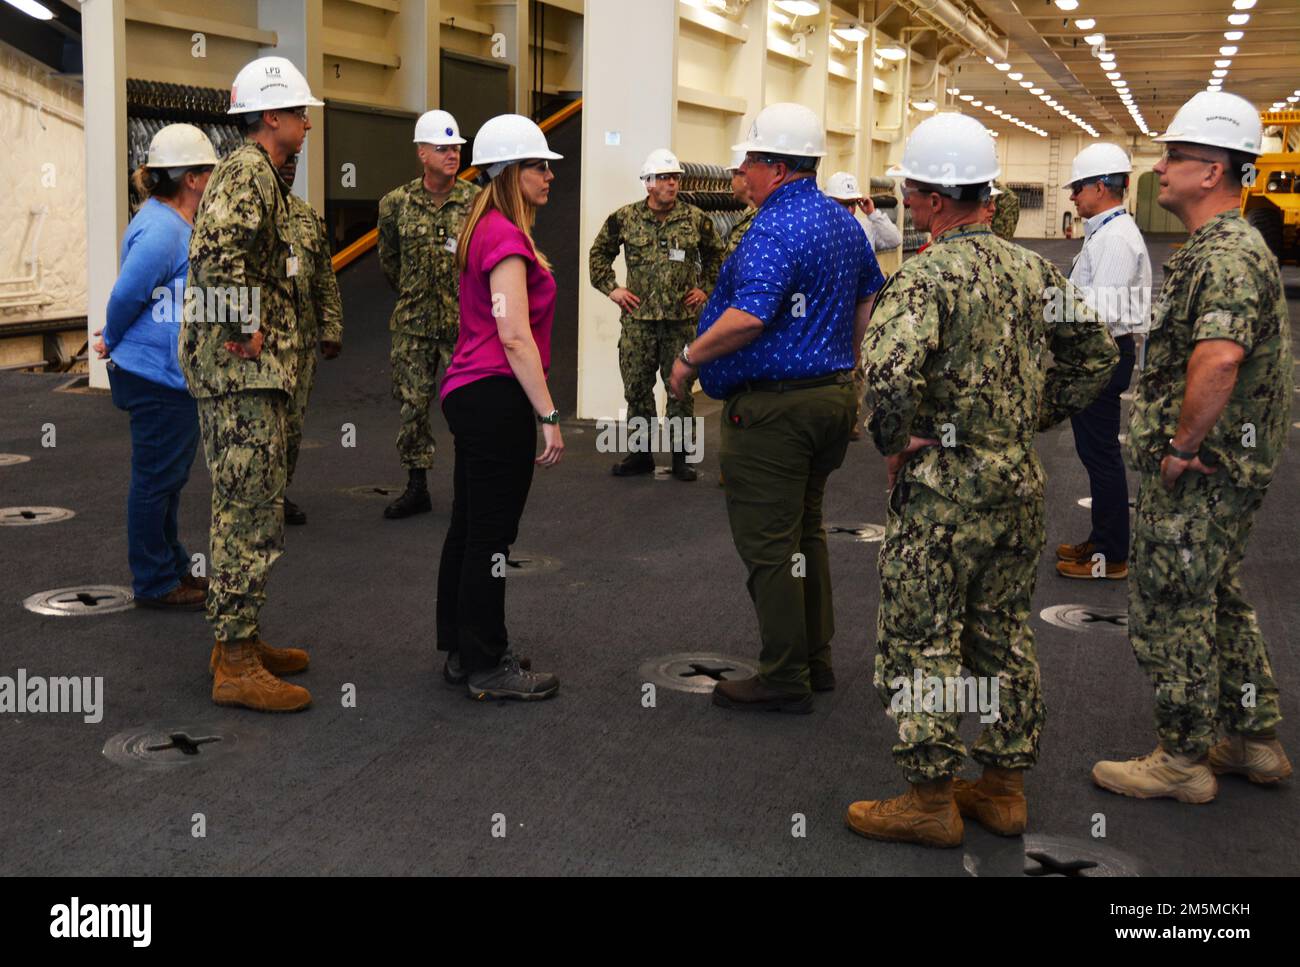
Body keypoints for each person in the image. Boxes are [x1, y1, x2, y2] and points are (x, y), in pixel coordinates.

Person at [846, 112, 1117, 848]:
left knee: (924, 635)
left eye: (911, 190)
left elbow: (891, 370)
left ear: (933, 199)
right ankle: (1002, 787)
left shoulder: (924, 277)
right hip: (1017, 488)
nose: (907, 200)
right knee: (1000, 630)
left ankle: (930, 797)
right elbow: (1097, 356)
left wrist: (896, 441)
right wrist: (1031, 416)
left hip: (940, 495)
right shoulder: (1035, 269)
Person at [1093, 91, 1293, 801]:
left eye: (1176, 155)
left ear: (1211, 171)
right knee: (1219, 594)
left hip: (1204, 469)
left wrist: (1180, 446)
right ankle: (1250, 738)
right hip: (1224, 467)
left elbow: (1220, 359)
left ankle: (1181, 759)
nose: (1161, 166)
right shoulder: (1224, 248)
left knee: (1173, 602)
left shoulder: (1229, 253)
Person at [667, 102, 885, 713]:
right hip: (831, 401)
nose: (741, 171)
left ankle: (784, 675)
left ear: (778, 167)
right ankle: (815, 660)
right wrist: (847, 362)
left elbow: (751, 315)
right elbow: (869, 299)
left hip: (774, 414)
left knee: (770, 547)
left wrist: (688, 358)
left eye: (749, 160)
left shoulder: (772, 227)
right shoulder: (843, 223)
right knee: (805, 533)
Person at [181, 56, 320, 712]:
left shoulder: (257, 172)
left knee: (248, 503)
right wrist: (245, 317)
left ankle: (237, 639)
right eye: (299, 113)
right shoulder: (248, 170)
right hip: (237, 373)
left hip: (245, 373)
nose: (306, 126)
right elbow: (214, 252)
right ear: (272, 116)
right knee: (246, 509)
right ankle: (234, 661)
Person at [437, 114, 565, 701]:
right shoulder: (506, 238)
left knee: (470, 528)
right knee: (490, 536)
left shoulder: (481, 227)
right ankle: (487, 663)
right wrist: (548, 413)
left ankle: (464, 651)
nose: (548, 176)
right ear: (512, 172)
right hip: (496, 393)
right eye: (539, 166)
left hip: (471, 391)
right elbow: (513, 334)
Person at [93, 124, 216, 611]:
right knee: (155, 480)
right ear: (190, 179)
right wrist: (113, 336)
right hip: (156, 378)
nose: (211, 179)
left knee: (164, 478)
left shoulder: (168, 221)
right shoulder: (165, 230)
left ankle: (170, 566)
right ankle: (154, 581)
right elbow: (127, 292)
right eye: (207, 171)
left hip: (162, 374)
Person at [589, 148, 725, 482]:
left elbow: (717, 256)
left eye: (675, 178)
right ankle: (640, 453)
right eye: (664, 178)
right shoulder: (625, 218)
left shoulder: (696, 219)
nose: (671, 184)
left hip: (680, 322)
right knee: (636, 388)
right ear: (648, 183)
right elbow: (598, 254)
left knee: (679, 388)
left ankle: (681, 457)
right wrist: (613, 289)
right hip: (638, 322)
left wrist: (705, 288)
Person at [377, 111, 480, 518]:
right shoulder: (395, 205)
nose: (453, 154)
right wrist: (414, 295)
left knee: (466, 408)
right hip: (412, 327)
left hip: (463, 327)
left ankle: (468, 487)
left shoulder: (475, 201)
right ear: (422, 153)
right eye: (443, 148)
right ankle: (416, 485)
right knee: (412, 407)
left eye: (456, 147)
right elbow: (390, 261)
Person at [1056, 143, 1151, 580]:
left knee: (1101, 456)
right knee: (1097, 454)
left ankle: (1111, 555)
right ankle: (1102, 540)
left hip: (1103, 355)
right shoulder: (1107, 230)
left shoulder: (1113, 238)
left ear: (1100, 186)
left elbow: (1100, 314)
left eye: (1077, 187)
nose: (1072, 196)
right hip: (1104, 353)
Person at [278, 152, 344, 526]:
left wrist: (331, 327)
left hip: (301, 346)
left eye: (295, 160)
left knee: (292, 425)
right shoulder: (249, 214)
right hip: (261, 347)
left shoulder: (306, 217)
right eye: (284, 159)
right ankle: (257, 497)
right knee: (261, 426)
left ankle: (279, 492)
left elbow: (324, 279)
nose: (290, 165)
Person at [825, 170, 903, 253]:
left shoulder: (865, 227)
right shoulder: (821, 231)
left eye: (853, 203)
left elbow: (895, 240)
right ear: (830, 202)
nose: (850, 210)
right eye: (845, 204)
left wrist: (872, 213)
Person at [722, 150, 757, 261]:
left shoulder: (758, 220)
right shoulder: (748, 216)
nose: (731, 182)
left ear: (745, 178)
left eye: (733, 176)